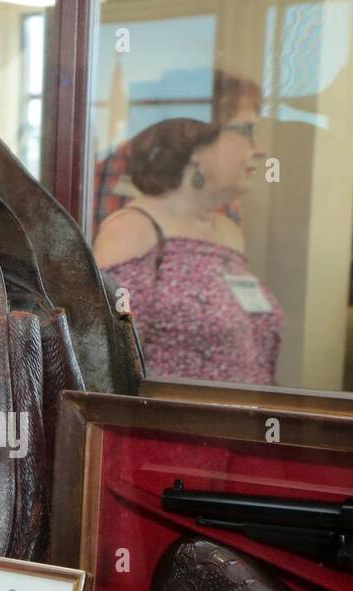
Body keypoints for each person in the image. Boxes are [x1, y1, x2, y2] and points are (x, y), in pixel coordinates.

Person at [93, 73, 281, 384]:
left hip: (243, 426)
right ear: (195, 143)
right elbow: (110, 366)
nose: (259, 149)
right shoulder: (132, 233)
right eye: (245, 131)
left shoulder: (229, 233)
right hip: (172, 426)